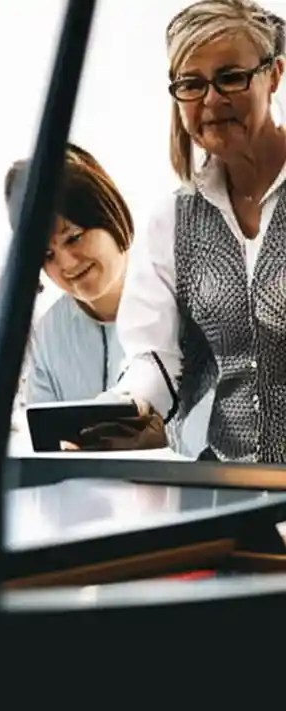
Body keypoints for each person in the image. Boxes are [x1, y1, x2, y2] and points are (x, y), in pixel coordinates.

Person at [104, 0, 286, 461]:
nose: (211, 100)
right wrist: (132, 409)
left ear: (275, 75)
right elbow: (153, 356)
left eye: (231, 77)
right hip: (232, 491)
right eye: (192, 84)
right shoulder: (172, 218)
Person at [6, 145, 212, 456]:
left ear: (110, 214)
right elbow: (46, 450)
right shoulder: (47, 335)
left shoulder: (191, 301)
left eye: (74, 237)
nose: (66, 263)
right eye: (47, 255)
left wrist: (168, 435)